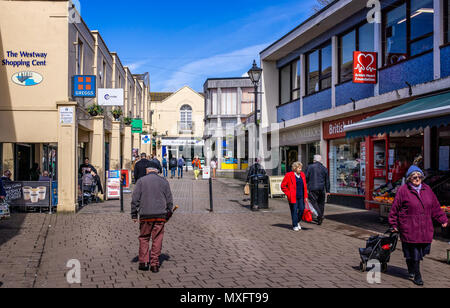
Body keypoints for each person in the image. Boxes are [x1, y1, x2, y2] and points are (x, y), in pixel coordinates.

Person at [388, 166, 448, 286]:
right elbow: (395, 209)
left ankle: (411, 264)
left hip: (425, 226)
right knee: (414, 250)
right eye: (414, 177)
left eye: (419, 176)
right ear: (409, 178)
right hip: (409, 226)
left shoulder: (427, 189)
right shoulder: (403, 190)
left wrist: (443, 219)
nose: (417, 178)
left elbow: (435, 207)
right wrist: (393, 224)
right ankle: (417, 275)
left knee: (423, 250)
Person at [131, 161, 174, 273]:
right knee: (157, 238)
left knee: (144, 237)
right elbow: (169, 200)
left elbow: (135, 199)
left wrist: (134, 214)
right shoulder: (164, 181)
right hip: (160, 215)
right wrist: (169, 212)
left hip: (145, 215)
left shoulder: (141, 181)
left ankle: (143, 262)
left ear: (147, 170)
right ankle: (154, 264)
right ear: (157, 170)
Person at [281, 162, 309, 231]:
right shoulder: (289, 175)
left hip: (301, 196)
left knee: (302, 209)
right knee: (294, 210)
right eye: (299, 168)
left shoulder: (302, 175)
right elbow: (283, 186)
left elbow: (304, 186)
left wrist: (306, 196)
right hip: (293, 196)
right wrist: (288, 193)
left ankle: (297, 221)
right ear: (295, 168)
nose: (300, 169)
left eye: (301, 168)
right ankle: (295, 225)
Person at [305, 155, 330, 225]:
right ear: (321, 160)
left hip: (312, 188)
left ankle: (320, 215)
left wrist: (305, 186)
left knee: (314, 202)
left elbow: (305, 178)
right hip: (322, 189)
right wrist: (328, 191)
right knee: (321, 204)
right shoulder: (324, 168)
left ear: (314, 160)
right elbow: (327, 181)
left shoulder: (309, 167)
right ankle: (320, 220)